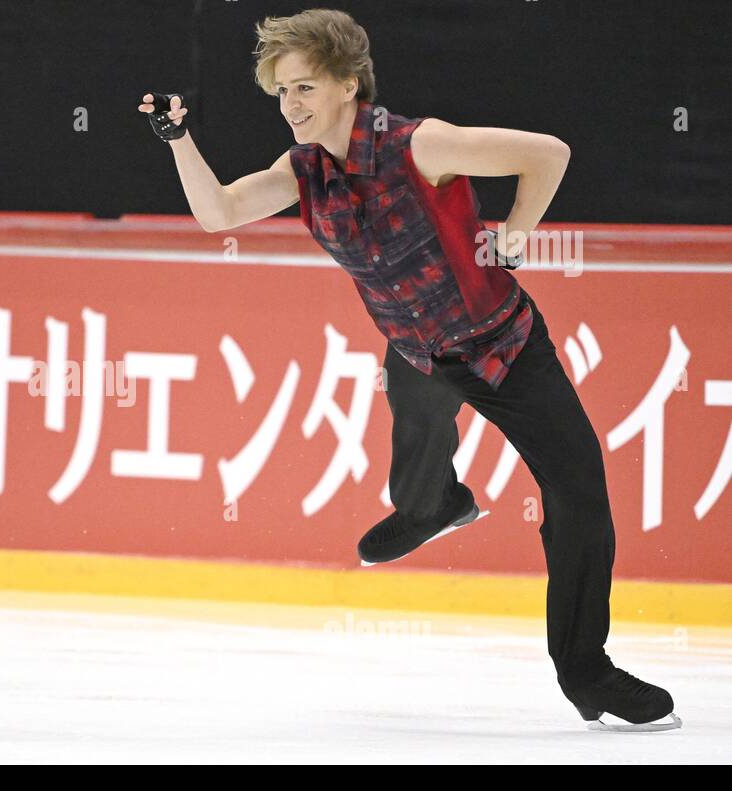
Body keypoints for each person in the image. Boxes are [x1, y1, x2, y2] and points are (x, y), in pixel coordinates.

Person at [138, 8, 679, 732]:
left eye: (303, 87)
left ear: (346, 84)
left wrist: (516, 234)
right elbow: (220, 212)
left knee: (579, 489)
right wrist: (180, 141)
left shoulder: (419, 144)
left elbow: (548, 152)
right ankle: (433, 505)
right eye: (280, 92)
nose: (290, 105)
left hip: (503, 348)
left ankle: (587, 669)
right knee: (418, 430)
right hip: (417, 352)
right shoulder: (302, 172)